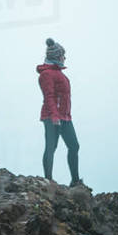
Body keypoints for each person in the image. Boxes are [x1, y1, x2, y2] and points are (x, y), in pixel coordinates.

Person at [36, 37, 82, 186]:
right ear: (56, 56)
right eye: (63, 55)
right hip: (52, 117)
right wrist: (55, 116)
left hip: (65, 117)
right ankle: (48, 180)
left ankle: (75, 181)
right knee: (51, 147)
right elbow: (48, 96)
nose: (65, 57)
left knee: (74, 146)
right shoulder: (46, 74)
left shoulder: (59, 74)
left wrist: (65, 115)